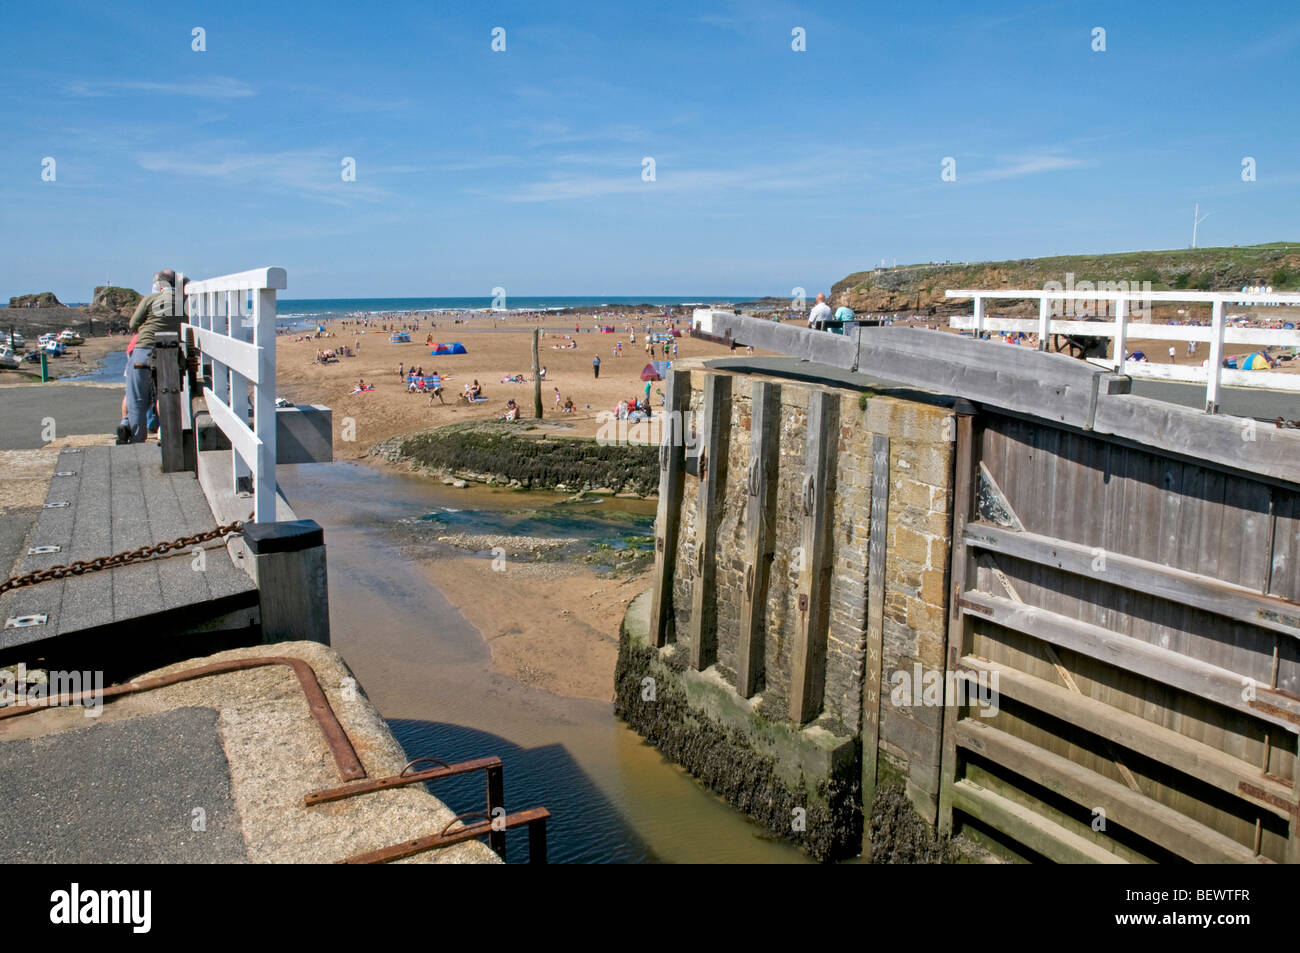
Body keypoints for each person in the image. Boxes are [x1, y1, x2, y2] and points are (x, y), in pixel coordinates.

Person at [118, 269, 181, 444]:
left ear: (159, 284)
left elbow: (133, 323)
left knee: (137, 398)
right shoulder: (183, 301)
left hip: (144, 348)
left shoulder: (151, 299)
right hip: (170, 351)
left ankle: (138, 440)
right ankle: (169, 436)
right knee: (167, 394)